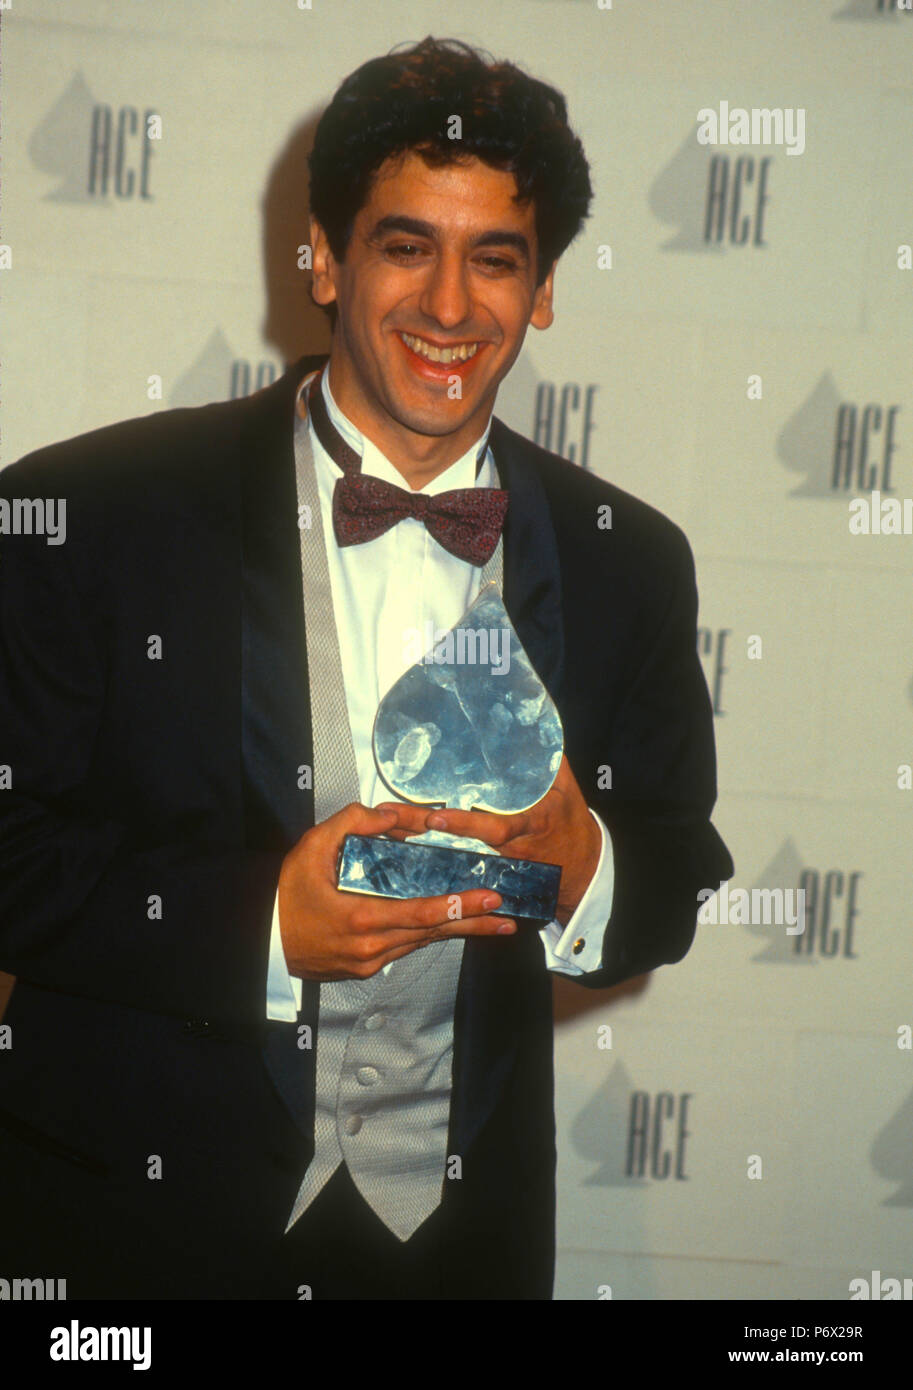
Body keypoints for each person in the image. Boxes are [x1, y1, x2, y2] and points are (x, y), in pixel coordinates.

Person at [0, 37, 732, 1300]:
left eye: (494, 258)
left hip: (457, 1249)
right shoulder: (85, 513)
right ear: (326, 257)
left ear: (543, 287)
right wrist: (265, 923)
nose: (449, 307)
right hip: (125, 1235)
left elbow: (674, 869)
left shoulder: (632, 563)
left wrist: (588, 864)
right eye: (405, 245)